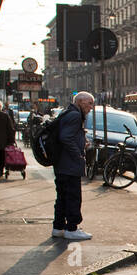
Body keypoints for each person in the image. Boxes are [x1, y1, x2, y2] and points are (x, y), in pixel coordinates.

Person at [53, 91, 94, 241]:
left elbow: (66, 136)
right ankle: (72, 228)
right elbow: (66, 137)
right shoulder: (75, 115)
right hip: (69, 164)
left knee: (62, 197)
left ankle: (58, 227)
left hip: (61, 163)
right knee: (73, 197)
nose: (91, 107)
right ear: (81, 102)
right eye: (89, 103)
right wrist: (78, 154)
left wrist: (82, 142)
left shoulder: (67, 112)